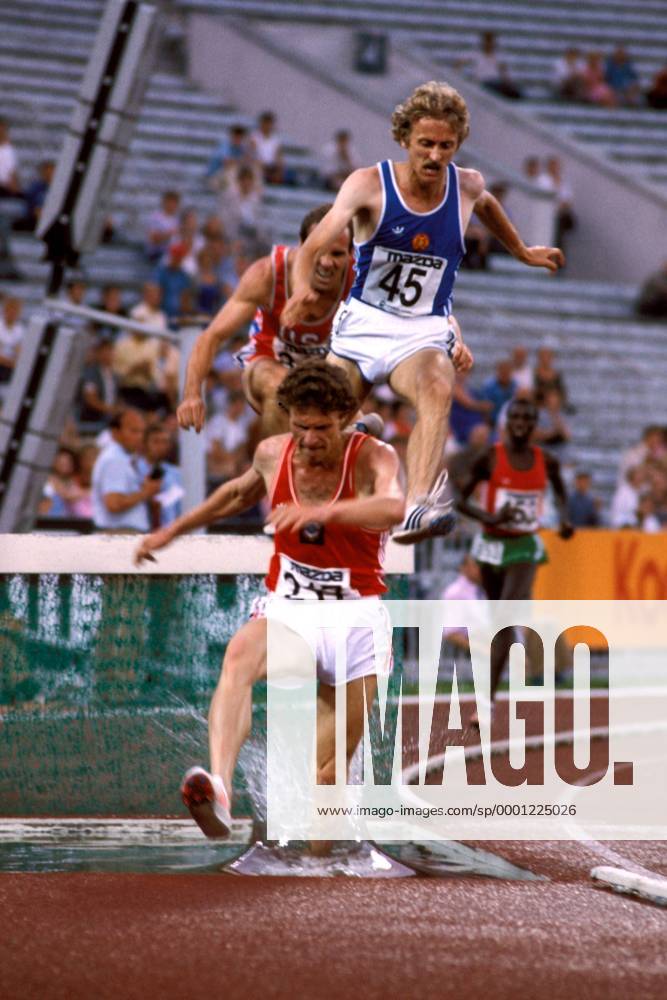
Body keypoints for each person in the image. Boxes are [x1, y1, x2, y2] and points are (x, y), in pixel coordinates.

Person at [281, 81, 564, 544]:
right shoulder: (369, 184)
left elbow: (487, 205)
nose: (435, 156)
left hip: (421, 330)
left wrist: (522, 251)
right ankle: (316, 498)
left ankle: (418, 506)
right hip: (363, 324)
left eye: (446, 146)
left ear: (458, 144)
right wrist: (299, 290)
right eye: (425, 144)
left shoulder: (465, 186)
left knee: (437, 384)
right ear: (405, 139)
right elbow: (315, 242)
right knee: (319, 422)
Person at [134, 361, 405, 839]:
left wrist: (321, 511)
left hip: (356, 622)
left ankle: (325, 870)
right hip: (290, 611)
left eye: (322, 428)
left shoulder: (373, 457)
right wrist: (170, 531)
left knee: (327, 775)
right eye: (301, 426)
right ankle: (220, 788)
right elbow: (235, 494)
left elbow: (392, 506)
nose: (310, 439)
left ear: (345, 417)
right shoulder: (273, 453)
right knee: (239, 655)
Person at [177, 204, 354, 439]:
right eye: (318, 251)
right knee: (279, 386)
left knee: (367, 428)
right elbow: (212, 336)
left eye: (337, 254)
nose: (326, 262)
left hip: (322, 375)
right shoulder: (268, 274)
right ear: (302, 247)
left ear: (351, 254)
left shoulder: (360, 279)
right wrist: (191, 394)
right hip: (267, 362)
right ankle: (277, 470)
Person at [457, 397, 573, 718]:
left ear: (535, 425)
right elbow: (460, 502)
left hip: (523, 545)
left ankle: (486, 703)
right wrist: (490, 518)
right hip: (492, 544)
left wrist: (564, 520)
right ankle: (489, 697)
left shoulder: (545, 461)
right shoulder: (490, 458)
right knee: (500, 623)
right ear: (507, 422)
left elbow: (561, 492)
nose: (521, 423)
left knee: (504, 618)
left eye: (528, 418)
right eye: (516, 417)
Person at [91, 409, 162, 532]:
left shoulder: (123, 457)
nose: (140, 437)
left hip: (124, 532)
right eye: (134, 431)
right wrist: (146, 492)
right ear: (115, 433)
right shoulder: (115, 459)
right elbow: (113, 504)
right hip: (119, 533)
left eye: (142, 432)